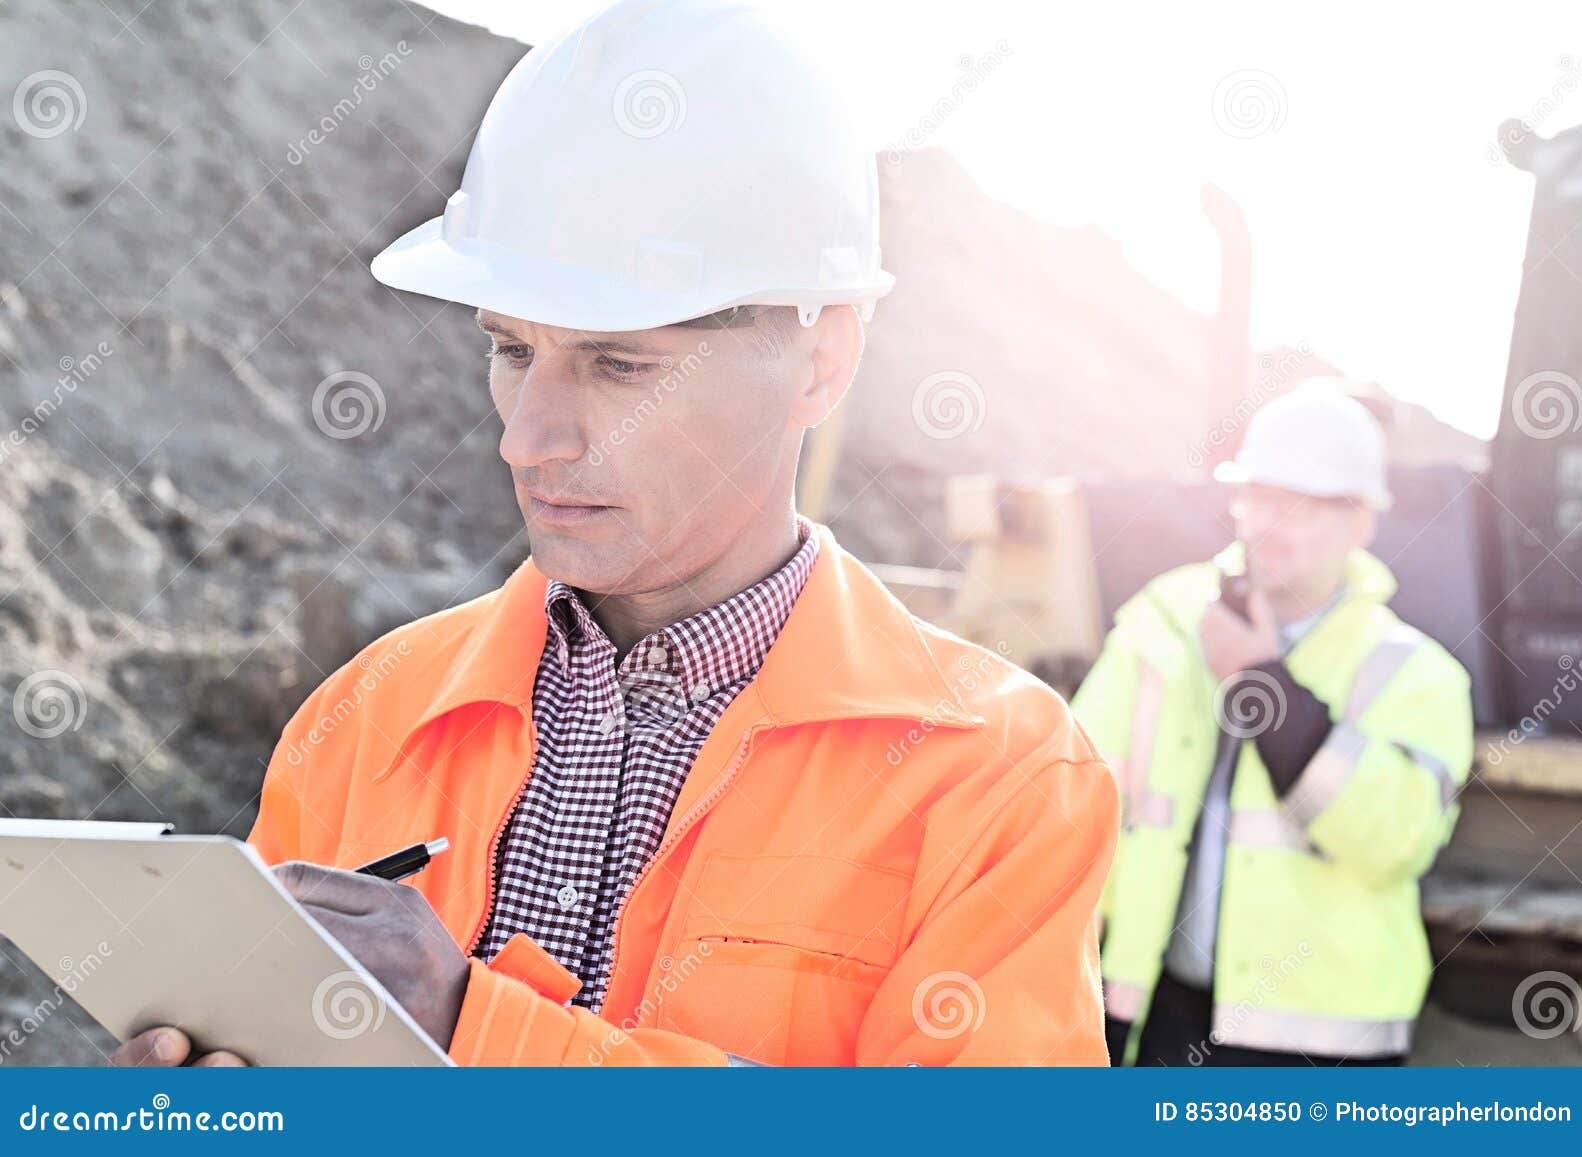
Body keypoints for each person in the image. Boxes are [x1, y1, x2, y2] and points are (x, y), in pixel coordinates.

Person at [111, 0, 1116, 1068]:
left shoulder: (995, 776)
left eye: (618, 364)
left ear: (820, 360)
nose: (527, 438)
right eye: (510, 349)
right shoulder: (368, 715)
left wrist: (478, 1028)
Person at [1073, 382, 1473, 1066]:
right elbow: (1075, 799)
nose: (1273, 522)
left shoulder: (1412, 671)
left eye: (1306, 504)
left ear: (1361, 522)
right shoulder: (1163, 621)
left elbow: (1393, 841)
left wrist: (1266, 686)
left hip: (1318, 1050)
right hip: (1154, 1014)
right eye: (1261, 495)